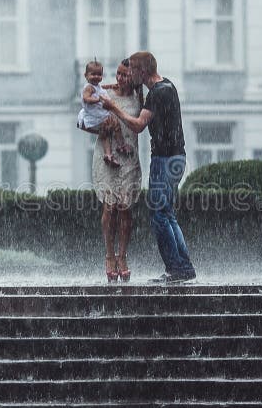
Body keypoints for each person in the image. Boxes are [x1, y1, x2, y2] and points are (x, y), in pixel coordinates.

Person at [101, 51, 196, 283]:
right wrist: (116, 88)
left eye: (132, 69)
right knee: (167, 214)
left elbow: (138, 125)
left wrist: (113, 107)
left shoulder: (157, 93)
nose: (129, 73)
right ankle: (184, 267)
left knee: (159, 216)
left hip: (164, 159)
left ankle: (175, 269)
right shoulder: (167, 86)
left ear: (142, 71)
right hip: (177, 157)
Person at [80, 59, 142, 282]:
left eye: (126, 74)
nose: (120, 78)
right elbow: (84, 120)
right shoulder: (104, 93)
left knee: (125, 208)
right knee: (109, 206)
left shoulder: (139, 97)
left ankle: (122, 256)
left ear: (134, 76)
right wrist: (102, 128)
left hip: (128, 156)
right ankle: (109, 255)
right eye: (118, 73)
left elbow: (141, 125)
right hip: (106, 155)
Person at [77, 60, 133, 168]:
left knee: (108, 130)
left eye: (99, 74)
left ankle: (109, 153)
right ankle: (120, 146)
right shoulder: (89, 87)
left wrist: (111, 86)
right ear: (86, 75)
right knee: (110, 127)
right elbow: (86, 98)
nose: (96, 77)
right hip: (95, 116)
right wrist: (97, 99)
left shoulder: (97, 87)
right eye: (93, 74)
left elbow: (102, 88)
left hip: (100, 114)